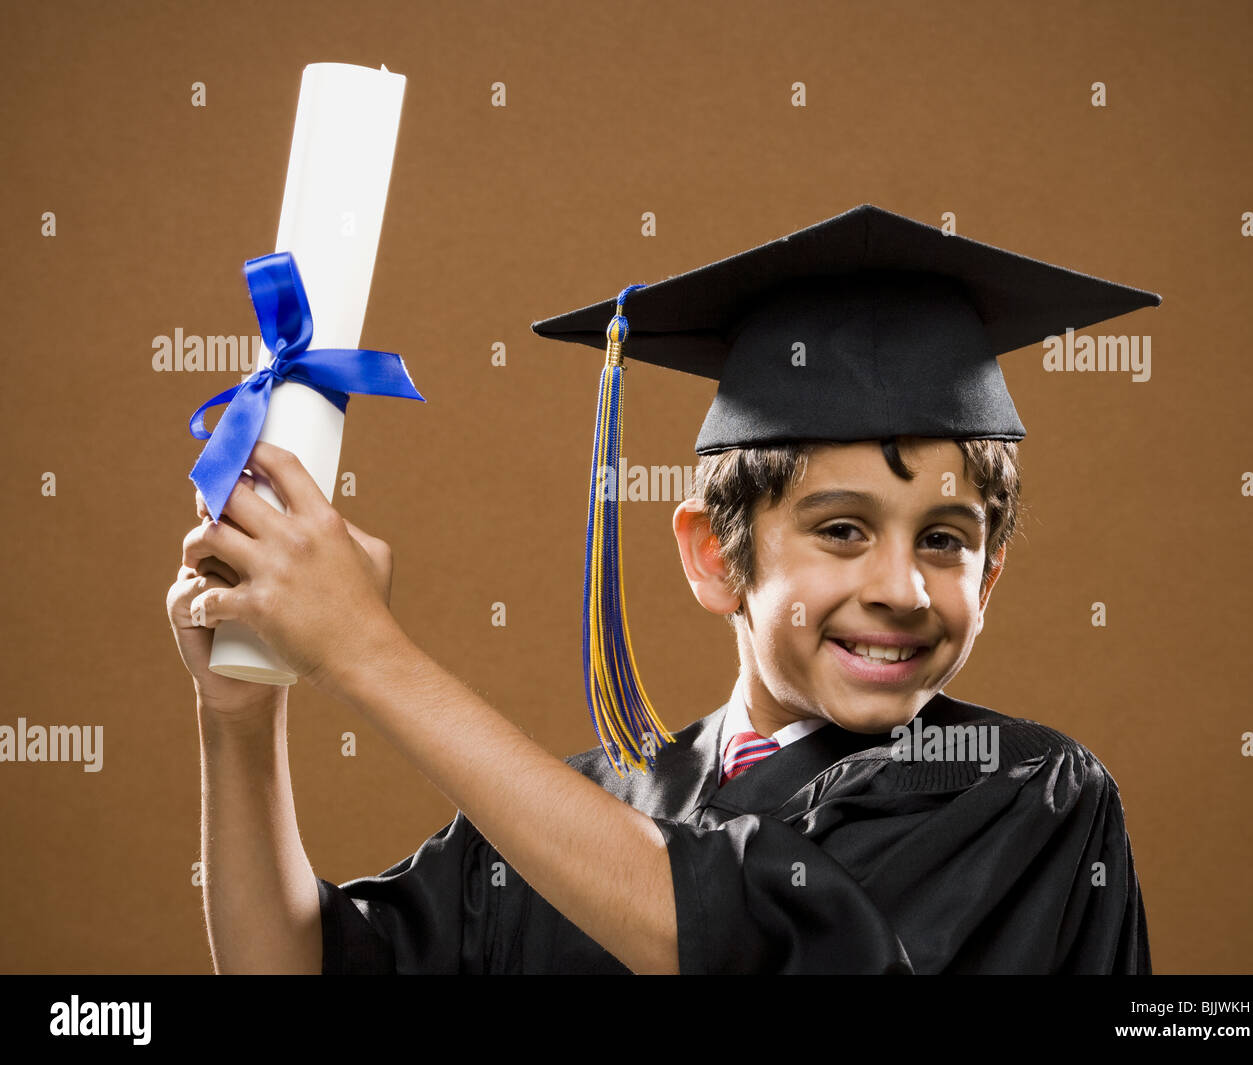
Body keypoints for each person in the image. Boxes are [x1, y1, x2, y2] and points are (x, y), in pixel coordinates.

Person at [166, 203, 1158, 974]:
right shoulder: (581, 808)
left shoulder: (1021, 795)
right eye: (842, 530)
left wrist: (364, 650)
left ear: (990, 576)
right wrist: (238, 718)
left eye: (944, 540)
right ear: (714, 557)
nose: (900, 586)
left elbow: (726, 941)